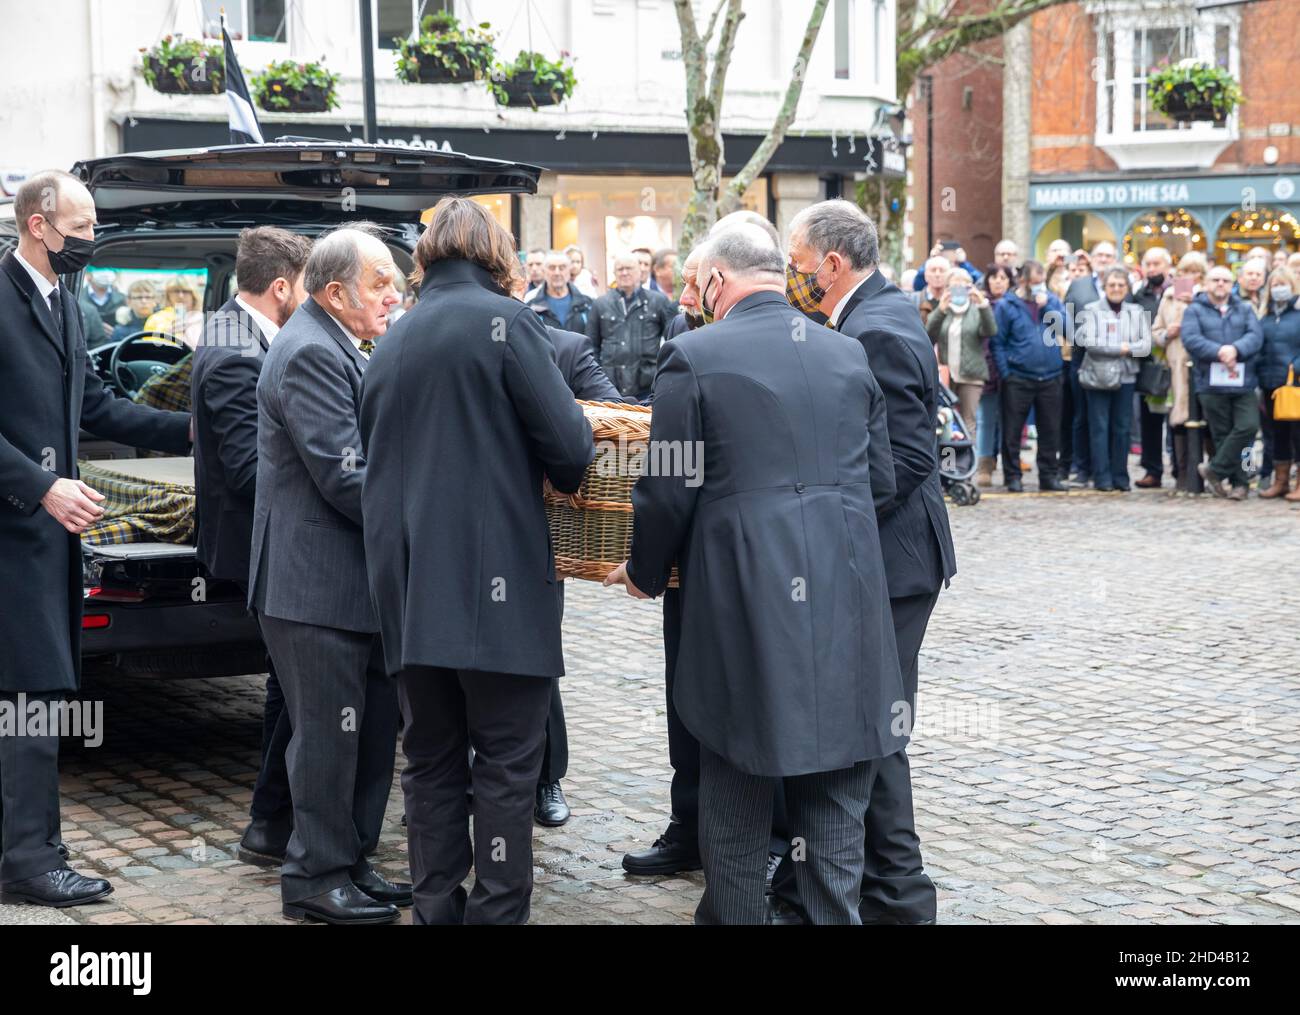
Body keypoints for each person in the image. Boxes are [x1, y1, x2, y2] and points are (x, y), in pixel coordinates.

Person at [605, 224, 904, 925]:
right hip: (847, 597)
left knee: (736, 802)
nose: (690, 296)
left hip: (742, 602)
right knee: (833, 808)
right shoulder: (845, 351)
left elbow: (668, 487)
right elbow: (882, 480)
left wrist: (645, 572)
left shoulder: (694, 354)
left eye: (694, 283)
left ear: (717, 282)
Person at [360, 198, 593, 925]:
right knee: (504, 767)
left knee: (428, 762)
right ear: (497, 253)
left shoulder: (393, 339)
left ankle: (436, 908)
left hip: (409, 590)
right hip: (498, 591)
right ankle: (495, 913)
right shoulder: (510, 324)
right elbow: (573, 449)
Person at [0, 170, 191, 908]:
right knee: (32, 694)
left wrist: (194, 428)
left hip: (50, 541)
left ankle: (24, 847)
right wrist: (41, 484)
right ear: (39, 224)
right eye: (80, 227)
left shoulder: (67, 304)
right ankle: (30, 860)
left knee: (38, 688)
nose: (91, 239)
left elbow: (101, 405)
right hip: (15, 532)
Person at [784, 200, 957, 925]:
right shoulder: (873, 312)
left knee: (878, 726)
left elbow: (908, 459)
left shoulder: (877, 325)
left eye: (795, 264)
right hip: (893, 557)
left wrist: (834, 523)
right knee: (872, 723)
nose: (791, 276)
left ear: (831, 263)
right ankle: (875, 883)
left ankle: (898, 893)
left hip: (895, 560)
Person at [249, 224, 407, 925]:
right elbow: (346, 476)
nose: (393, 293)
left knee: (369, 730)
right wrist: (427, 505)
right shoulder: (311, 349)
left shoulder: (335, 338)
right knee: (327, 737)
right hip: (314, 588)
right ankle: (314, 876)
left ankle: (350, 859)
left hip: (347, 584)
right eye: (380, 282)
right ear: (335, 289)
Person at [191, 226, 311, 867]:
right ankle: (269, 823)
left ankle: (271, 823)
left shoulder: (230, 331)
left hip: (260, 542)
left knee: (285, 687)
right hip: (257, 545)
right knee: (294, 689)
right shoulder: (239, 350)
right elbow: (246, 466)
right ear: (282, 287)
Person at [1181, 264, 1264, 501]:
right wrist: (1220, 352)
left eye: (1225, 281)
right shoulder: (1194, 310)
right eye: (1215, 280)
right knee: (1222, 434)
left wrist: (1235, 349)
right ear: (1206, 283)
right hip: (1211, 383)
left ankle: (1215, 470)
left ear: (1232, 284)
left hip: (1243, 382)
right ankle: (1240, 485)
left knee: (1248, 428)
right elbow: (1191, 339)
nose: (1220, 284)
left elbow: (1255, 336)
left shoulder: (1244, 308)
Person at [992, 259, 1068, 493]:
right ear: (1022, 280)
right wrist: (1007, 373)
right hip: (1018, 377)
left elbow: (1067, 330)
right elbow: (998, 342)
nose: (1038, 286)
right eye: (1034, 282)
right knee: (1013, 431)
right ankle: (1013, 476)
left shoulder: (1052, 301)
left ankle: (1048, 475)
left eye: (1041, 282)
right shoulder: (1006, 305)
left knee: (1050, 430)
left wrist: (1047, 308)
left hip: (1051, 376)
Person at [1076, 267, 1153, 492]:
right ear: (1105, 287)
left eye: (1121, 285)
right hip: (1097, 376)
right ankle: (1102, 477)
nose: (1116, 289)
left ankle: (1120, 476)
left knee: (1122, 428)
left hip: (1127, 377)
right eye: (1112, 285)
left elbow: (1145, 345)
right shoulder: (1091, 310)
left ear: (1127, 288)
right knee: (1099, 427)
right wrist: (1123, 348)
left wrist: (1126, 349)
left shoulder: (1137, 311)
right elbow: (1090, 342)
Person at [1152, 252, 1208, 491]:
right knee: (1178, 421)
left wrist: (1194, 303)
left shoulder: (1208, 296)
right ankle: (1182, 474)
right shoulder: (1167, 297)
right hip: (1175, 368)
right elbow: (1155, 332)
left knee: (1207, 421)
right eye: (1186, 271)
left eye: (1196, 272)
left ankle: (1208, 472)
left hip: (1203, 367)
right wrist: (1167, 334)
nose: (1190, 276)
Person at [586, 253, 676, 401]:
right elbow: (591, 347)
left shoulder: (658, 301)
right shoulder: (600, 304)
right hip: (610, 388)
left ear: (640, 272)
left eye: (629, 268)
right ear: (614, 273)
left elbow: (671, 340)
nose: (624, 272)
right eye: (620, 269)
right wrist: (598, 379)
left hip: (648, 387)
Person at [1064, 241, 1117, 485]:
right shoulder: (1078, 285)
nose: (1104, 259)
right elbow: (1067, 320)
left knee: (1112, 420)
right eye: (1100, 255)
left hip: (1117, 361)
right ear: (1091, 259)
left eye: (1108, 255)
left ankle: (1108, 469)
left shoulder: (1123, 283)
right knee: (1081, 416)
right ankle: (1082, 468)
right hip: (1083, 358)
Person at [927, 266, 995, 446]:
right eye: (954, 287)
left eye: (962, 287)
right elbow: (928, 336)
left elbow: (990, 330)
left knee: (968, 423)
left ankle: (965, 470)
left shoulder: (976, 310)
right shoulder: (943, 310)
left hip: (971, 376)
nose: (958, 291)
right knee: (946, 420)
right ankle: (948, 467)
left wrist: (982, 304)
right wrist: (941, 310)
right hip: (946, 376)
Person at [1256, 267, 1300, 501]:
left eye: (1283, 283)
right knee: (1277, 433)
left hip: (1294, 385)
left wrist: (1295, 367)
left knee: (1298, 433)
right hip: (1270, 384)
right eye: (1274, 284)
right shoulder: (1266, 317)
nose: (1278, 288)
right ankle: (1280, 480)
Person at [1132, 247, 1174, 488]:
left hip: (1176, 364)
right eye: (1148, 264)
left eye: (1157, 263)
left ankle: (1182, 468)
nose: (1152, 268)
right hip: (1149, 365)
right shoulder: (1139, 295)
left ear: (1167, 266)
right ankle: (1152, 469)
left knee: (1177, 419)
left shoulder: (1178, 293)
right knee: (1150, 420)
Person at [974, 265, 1015, 487]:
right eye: (994, 278)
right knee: (986, 419)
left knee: (1009, 421)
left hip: (1013, 369)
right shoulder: (980, 303)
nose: (998, 282)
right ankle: (985, 464)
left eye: (1003, 278)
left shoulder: (1015, 304)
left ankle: (1009, 462)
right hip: (987, 366)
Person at [525, 249, 593, 332]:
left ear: (569, 270)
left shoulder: (587, 304)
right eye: (552, 268)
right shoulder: (532, 307)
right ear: (544, 271)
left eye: (562, 268)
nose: (557, 273)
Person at [78, 268, 126, 345]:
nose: (105, 273)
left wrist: (118, 332)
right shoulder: (77, 298)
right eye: (100, 268)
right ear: (88, 274)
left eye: (110, 269)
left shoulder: (124, 300)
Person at [910, 255, 950, 328]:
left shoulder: (953, 301)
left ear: (949, 275)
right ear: (925, 276)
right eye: (933, 270)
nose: (937, 274)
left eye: (942, 270)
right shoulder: (912, 300)